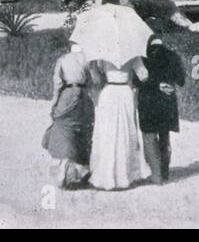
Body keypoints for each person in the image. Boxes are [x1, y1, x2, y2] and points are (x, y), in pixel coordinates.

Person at [88, 54, 149, 191]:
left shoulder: (103, 53)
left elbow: (97, 80)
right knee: (125, 131)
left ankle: (104, 175)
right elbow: (144, 75)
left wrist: (93, 67)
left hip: (109, 93)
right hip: (124, 92)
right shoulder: (132, 53)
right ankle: (124, 175)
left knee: (107, 133)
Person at [42, 41, 94, 188]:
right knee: (84, 131)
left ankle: (67, 170)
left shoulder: (63, 60)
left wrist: (53, 105)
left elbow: (57, 85)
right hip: (84, 96)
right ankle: (82, 170)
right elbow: (92, 81)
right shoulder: (87, 59)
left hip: (68, 93)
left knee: (64, 129)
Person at [137, 36, 186, 185]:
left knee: (149, 137)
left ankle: (156, 175)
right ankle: (164, 172)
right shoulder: (173, 56)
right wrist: (167, 83)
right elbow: (181, 81)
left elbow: (137, 81)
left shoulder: (142, 57)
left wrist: (156, 83)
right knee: (164, 137)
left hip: (148, 102)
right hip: (167, 103)